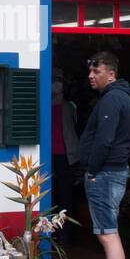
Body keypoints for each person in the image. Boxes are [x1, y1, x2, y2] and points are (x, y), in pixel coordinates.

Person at [77, 51, 130, 259]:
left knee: (107, 234)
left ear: (111, 75)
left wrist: (92, 170)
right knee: (109, 231)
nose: (91, 76)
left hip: (105, 174)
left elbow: (104, 139)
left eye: (96, 71)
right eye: (90, 71)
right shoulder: (120, 97)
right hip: (113, 172)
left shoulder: (112, 100)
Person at [50, 69, 81, 243]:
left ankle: (65, 234)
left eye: (59, 80)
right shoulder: (44, 105)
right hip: (48, 157)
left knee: (66, 197)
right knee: (51, 196)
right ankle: (51, 232)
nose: (56, 84)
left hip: (67, 157)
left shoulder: (70, 106)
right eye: (54, 80)